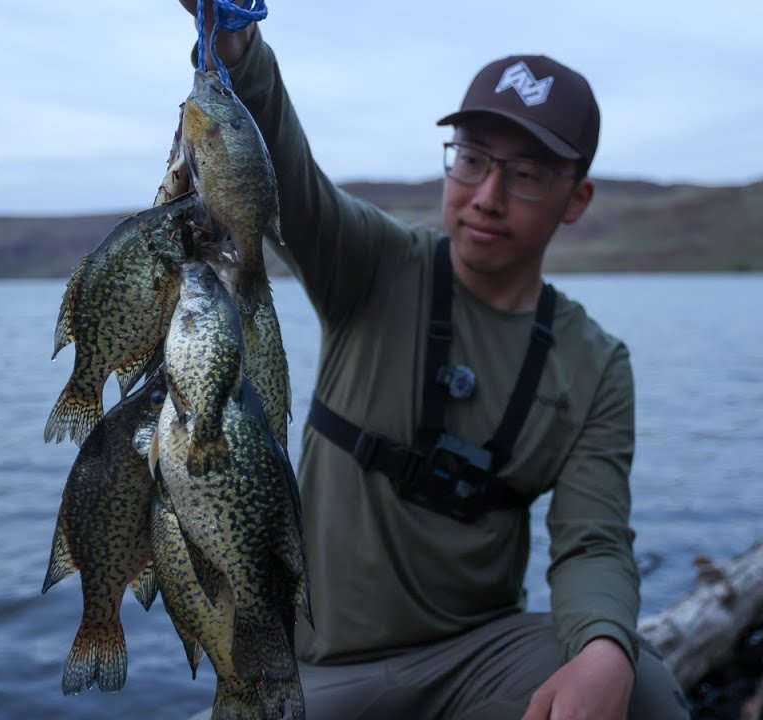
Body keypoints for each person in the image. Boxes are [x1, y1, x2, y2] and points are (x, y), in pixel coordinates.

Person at [177, 3, 691, 719]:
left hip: (480, 660)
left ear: (577, 199)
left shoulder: (597, 363)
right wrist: (237, 46)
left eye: (527, 174)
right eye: (473, 159)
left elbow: (593, 542)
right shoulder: (375, 263)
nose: (487, 196)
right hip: (315, 669)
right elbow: (290, 180)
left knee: (648, 694)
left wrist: (605, 647)